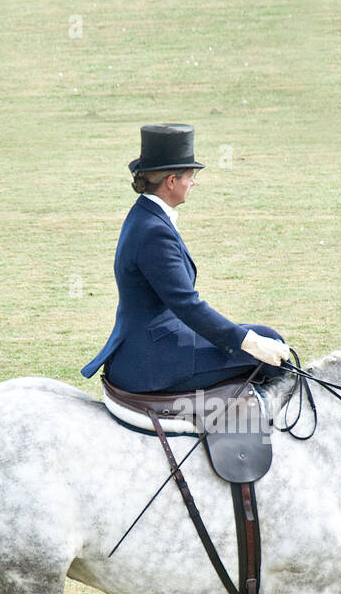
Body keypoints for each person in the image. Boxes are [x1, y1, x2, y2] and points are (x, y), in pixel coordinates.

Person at [81, 123, 290, 394]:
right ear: (171, 181)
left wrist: (252, 338)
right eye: (190, 176)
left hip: (160, 338)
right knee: (267, 359)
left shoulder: (145, 215)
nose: (194, 182)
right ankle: (238, 437)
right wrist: (249, 343)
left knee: (269, 336)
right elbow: (187, 306)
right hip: (151, 358)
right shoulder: (154, 231)